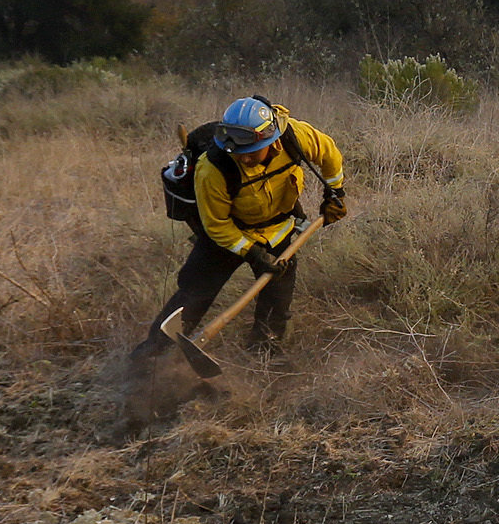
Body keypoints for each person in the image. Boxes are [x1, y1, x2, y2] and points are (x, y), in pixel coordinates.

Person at [135, 96, 347, 360]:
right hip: (226, 236)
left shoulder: (296, 137)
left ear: (272, 141)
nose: (243, 159)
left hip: (277, 229)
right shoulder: (212, 169)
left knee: (276, 298)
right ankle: (151, 356)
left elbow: (328, 151)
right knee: (195, 292)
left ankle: (263, 354)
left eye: (250, 153)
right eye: (237, 153)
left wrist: (335, 193)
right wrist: (253, 253)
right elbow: (216, 224)